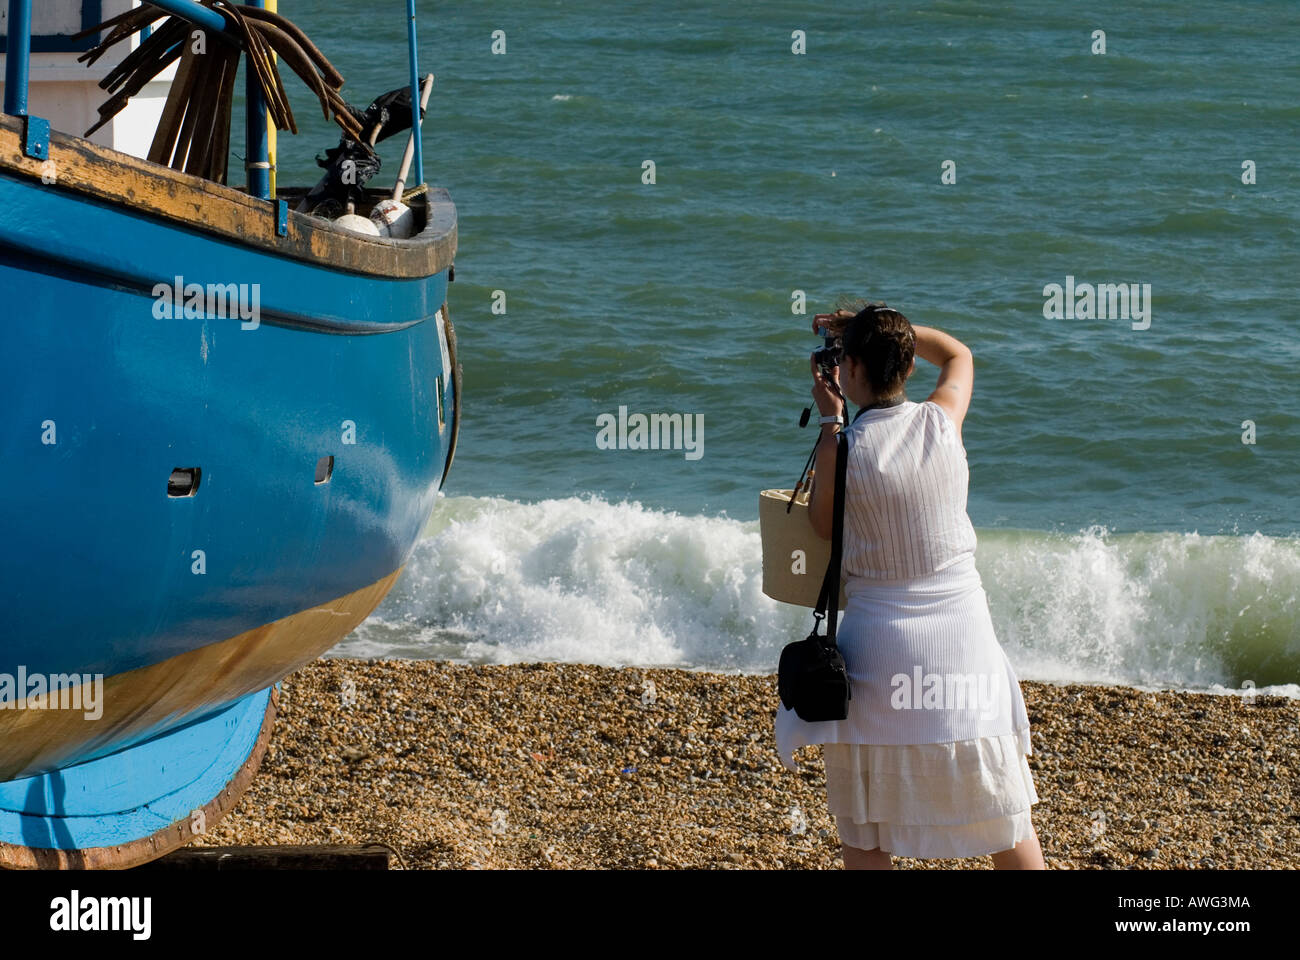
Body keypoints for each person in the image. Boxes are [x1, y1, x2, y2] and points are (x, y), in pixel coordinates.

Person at [774, 301, 1045, 870]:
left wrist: (830, 420)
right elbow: (958, 354)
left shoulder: (845, 448)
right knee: (1002, 813)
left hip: (882, 657)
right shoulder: (942, 423)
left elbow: (823, 525)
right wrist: (882, 330)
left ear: (846, 369)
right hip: (963, 647)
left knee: (867, 829)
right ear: (907, 367)